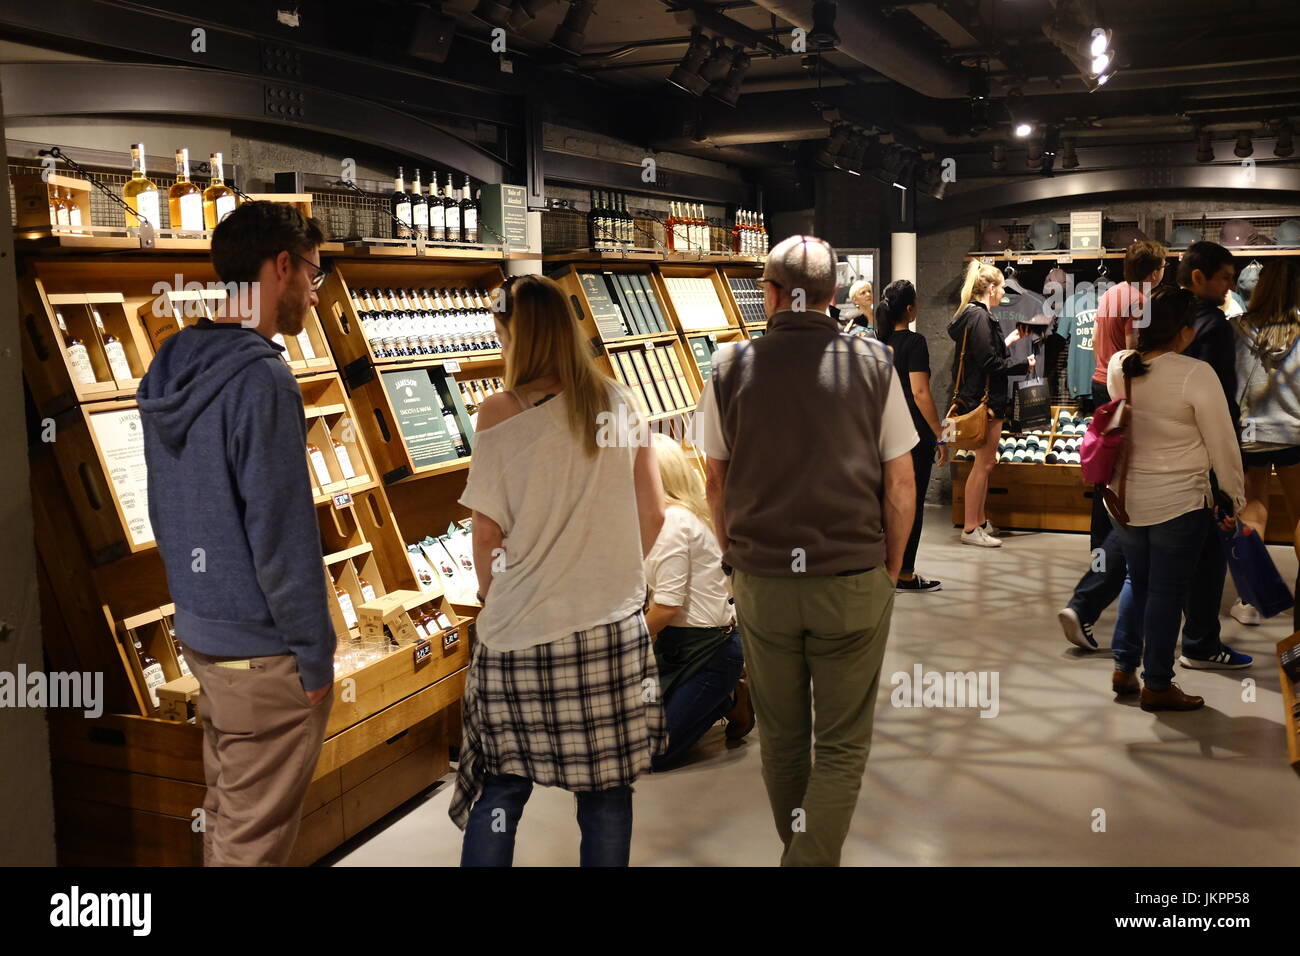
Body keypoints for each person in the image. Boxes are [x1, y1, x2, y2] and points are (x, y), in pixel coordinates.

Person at [692, 234, 918, 867]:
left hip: (763, 579)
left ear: (770, 293)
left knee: (783, 739)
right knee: (842, 743)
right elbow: (901, 483)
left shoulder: (729, 366)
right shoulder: (873, 364)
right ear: (835, 295)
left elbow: (715, 481)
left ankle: (798, 854)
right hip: (850, 576)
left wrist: (736, 555)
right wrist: (891, 568)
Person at [136, 201, 334, 866]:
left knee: (226, 817)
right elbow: (281, 537)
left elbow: (167, 509)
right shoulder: (262, 376)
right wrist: (313, 653)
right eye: (311, 272)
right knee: (253, 844)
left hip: (200, 633)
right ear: (280, 268)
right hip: (264, 651)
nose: (313, 289)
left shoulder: (173, 362)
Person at [451, 274, 667, 868]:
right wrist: (606, 570)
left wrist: (498, 594)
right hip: (609, 631)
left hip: (520, 631)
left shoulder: (499, 412)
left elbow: (487, 534)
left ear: (514, 336)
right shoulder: (619, 404)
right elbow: (653, 515)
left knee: (501, 789)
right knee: (606, 794)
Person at [1105, 286, 1246, 710]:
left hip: (1124, 498)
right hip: (1178, 502)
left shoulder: (1120, 366)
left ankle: (1124, 666)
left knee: (1138, 579)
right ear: (1185, 331)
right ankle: (1159, 684)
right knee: (1166, 591)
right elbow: (1223, 443)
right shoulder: (1194, 373)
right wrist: (1233, 498)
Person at [1058, 241, 1166, 649]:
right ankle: (1114, 556)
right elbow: (1136, 352)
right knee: (1126, 474)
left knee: (1106, 471)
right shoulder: (1140, 299)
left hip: (1101, 383)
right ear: (1154, 269)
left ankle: (1100, 551)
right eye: (1162, 266)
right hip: (1123, 388)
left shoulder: (1111, 294)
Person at [644, 433, 752, 770]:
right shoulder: (676, 515)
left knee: (653, 755)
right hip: (680, 644)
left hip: (708, 651)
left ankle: (731, 696)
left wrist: (619, 642)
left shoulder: (672, 524)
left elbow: (667, 606)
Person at [1174, 241, 1253, 668]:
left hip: (1164, 450)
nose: (1229, 286)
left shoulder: (1164, 316)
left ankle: (1138, 650)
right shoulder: (1214, 325)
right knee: (1207, 548)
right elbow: (1220, 401)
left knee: (1162, 552)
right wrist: (1227, 472)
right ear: (1200, 276)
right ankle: (1201, 642)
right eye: (1224, 277)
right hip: (1202, 450)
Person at [1233, 259, 1300, 632]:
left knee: (1253, 508)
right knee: (1299, 513)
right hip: (1295, 429)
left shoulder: (1236, 327)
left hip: (1252, 431)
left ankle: (1250, 601)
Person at [947, 261, 1032, 547]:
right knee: (982, 465)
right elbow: (987, 363)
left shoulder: (972, 315)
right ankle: (971, 528)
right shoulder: (981, 317)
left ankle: (979, 521)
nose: (1003, 294)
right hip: (985, 402)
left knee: (985, 463)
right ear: (992, 288)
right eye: (1001, 289)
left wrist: (1006, 342)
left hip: (979, 399)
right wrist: (1023, 364)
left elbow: (980, 356)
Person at [875, 279, 946, 591]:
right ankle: (904, 572)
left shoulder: (878, 342)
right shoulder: (914, 343)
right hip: (913, 433)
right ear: (909, 309)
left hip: (882, 430)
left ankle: (881, 567)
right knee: (910, 502)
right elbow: (920, 393)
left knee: (885, 500)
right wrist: (940, 433)